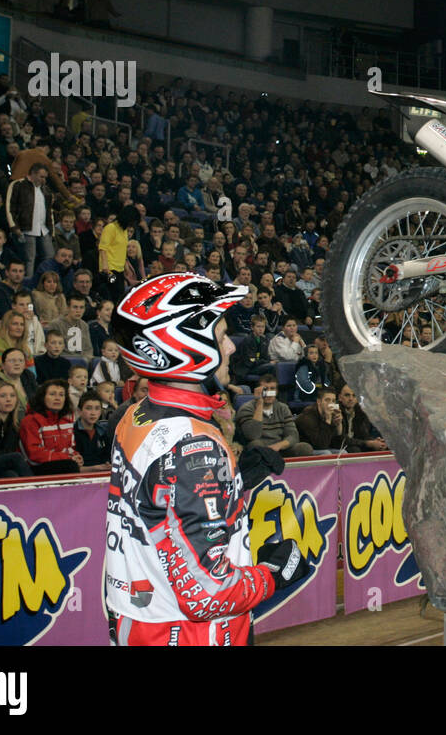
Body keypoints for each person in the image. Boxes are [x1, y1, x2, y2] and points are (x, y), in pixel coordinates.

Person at [105, 272, 310, 646]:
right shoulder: (192, 446)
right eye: (220, 338)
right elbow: (208, 594)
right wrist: (273, 573)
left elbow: (157, 507)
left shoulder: (137, 413)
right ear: (184, 348)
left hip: (143, 616)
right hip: (189, 630)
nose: (231, 347)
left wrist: (231, 484)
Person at [235, 374, 314, 456]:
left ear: (276, 392)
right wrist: (259, 404)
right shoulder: (246, 408)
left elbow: (293, 436)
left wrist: (278, 446)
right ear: (258, 391)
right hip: (259, 451)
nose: (269, 393)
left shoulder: (283, 408)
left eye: (272, 389)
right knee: (256, 445)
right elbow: (252, 436)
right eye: (265, 389)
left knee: (304, 447)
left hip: (280, 448)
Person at [5, 163, 56, 280]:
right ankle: (26, 284)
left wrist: (51, 231)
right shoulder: (18, 185)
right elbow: (9, 206)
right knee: (29, 259)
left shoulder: (46, 190)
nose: (44, 180)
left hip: (44, 229)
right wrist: (14, 227)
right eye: (41, 177)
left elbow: (49, 211)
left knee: (49, 257)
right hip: (25, 228)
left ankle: (47, 282)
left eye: (45, 177)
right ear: (32, 174)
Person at [19, 379, 81, 475]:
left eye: (61, 395)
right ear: (42, 397)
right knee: (70, 466)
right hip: (36, 468)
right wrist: (67, 457)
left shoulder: (67, 421)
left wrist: (76, 456)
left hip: (63, 464)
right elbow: (34, 454)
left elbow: (70, 447)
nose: (57, 398)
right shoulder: (31, 421)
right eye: (52, 394)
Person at [98, 206, 136, 303]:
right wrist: (106, 268)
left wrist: (125, 266)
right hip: (110, 270)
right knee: (112, 297)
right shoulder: (110, 228)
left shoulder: (123, 231)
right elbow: (103, 248)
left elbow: (121, 250)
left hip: (119, 270)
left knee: (119, 297)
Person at [71, 391, 112, 471]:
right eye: (88, 408)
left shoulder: (103, 432)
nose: (93, 413)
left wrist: (107, 465)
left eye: (97, 408)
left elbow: (108, 458)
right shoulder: (72, 432)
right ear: (79, 411)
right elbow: (72, 469)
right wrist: (94, 469)